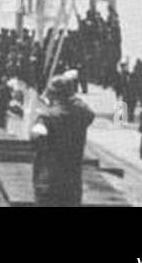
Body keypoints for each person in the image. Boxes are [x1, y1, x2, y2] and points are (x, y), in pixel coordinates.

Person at [30, 70, 95, 205]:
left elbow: (35, 138)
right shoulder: (81, 114)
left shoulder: (47, 117)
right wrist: (72, 97)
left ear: (52, 95)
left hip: (48, 182)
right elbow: (89, 113)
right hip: (72, 184)